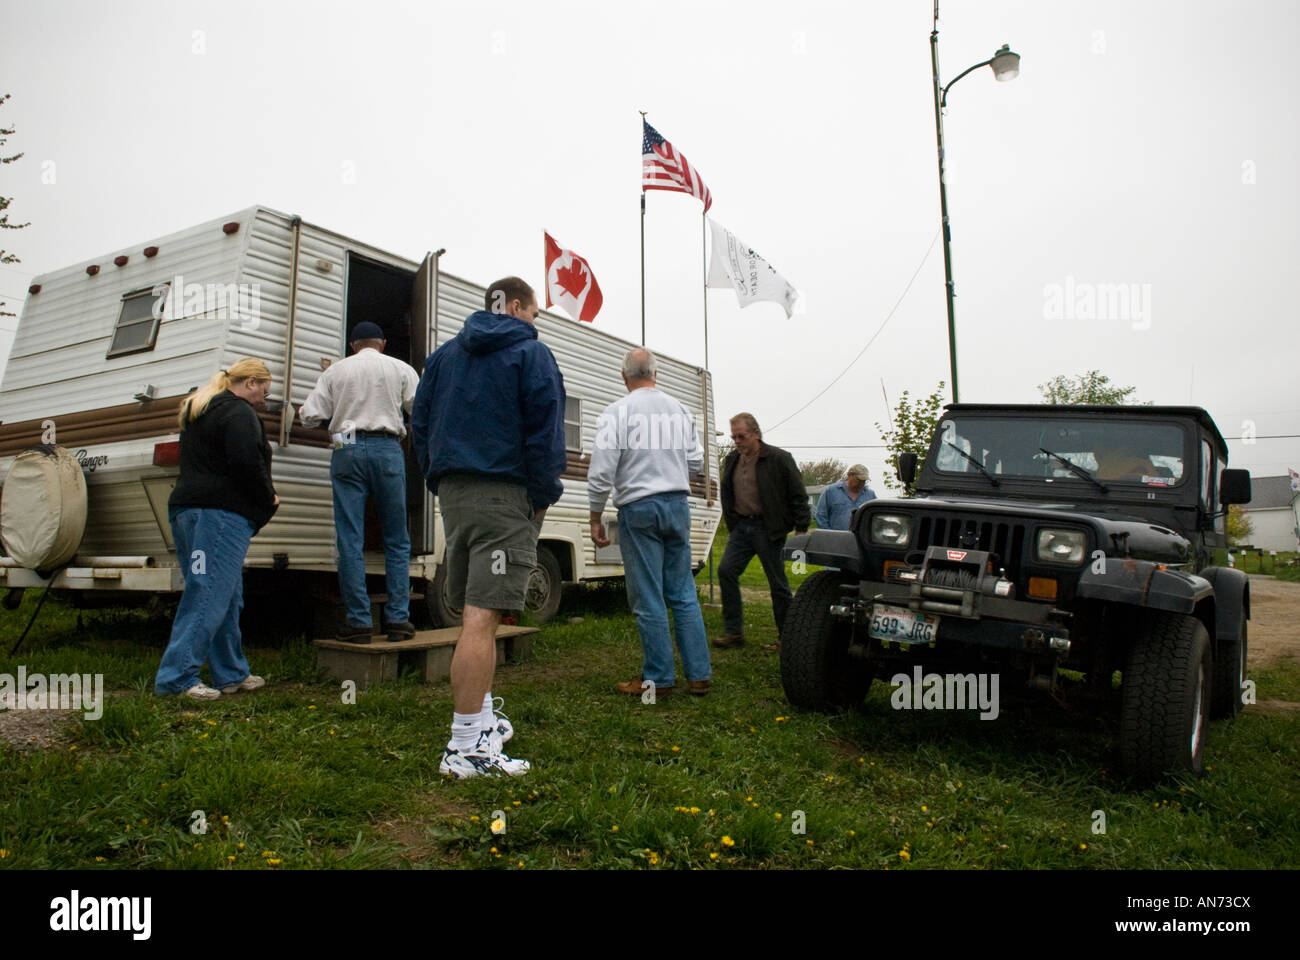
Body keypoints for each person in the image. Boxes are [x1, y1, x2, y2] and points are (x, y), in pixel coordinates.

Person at [411, 277, 566, 779]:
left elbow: (420, 422)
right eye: (536, 313)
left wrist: (438, 477)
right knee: (483, 618)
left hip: (455, 493)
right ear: (517, 306)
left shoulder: (443, 357)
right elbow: (545, 429)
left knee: (473, 613)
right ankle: (465, 748)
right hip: (505, 492)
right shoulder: (530, 353)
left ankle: (479, 721)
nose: (536, 323)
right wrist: (542, 495)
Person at [588, 349, 711, 698]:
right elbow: (696, 462)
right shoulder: (680, 410)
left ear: (623, 376)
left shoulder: (617, 412)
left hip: (639, 508)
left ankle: (659, 678)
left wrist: (595, 515)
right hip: (677, 504)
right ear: (656, 374)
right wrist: (670, 477)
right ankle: (699, 675)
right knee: (683, 591)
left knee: (648, 596)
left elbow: (601, 472)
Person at [155, 359, 279, 700]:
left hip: (187, 514)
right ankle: (176, 678)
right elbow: (245, 462)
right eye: (265, 392)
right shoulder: (239, 413)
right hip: (220, 516)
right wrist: (268, 497)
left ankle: (231, 673)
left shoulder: (202, 409)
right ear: (251, 382)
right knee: (209, 592)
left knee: (223, 592)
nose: (265, 400)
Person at [299, 321, 421, 643]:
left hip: (345, 443)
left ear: (352, 345)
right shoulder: (401, 368)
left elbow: (308, 416)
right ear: (382, 342)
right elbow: (418, 408)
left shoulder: (335, 372)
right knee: (396, 538)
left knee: (350, 537)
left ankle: (359, 624)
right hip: (387, 445)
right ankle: (397, 620)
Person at [715, 413, 809, 652]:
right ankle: (734, 632)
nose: (736, 440)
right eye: (734, 436)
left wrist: (801, 528)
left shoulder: (778, 458)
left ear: (756, 433)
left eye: (741, 436)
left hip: (768, 529)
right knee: (725, 571)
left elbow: (798, 494)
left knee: (777, 583)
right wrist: (733, 522)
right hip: (741, 527)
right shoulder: (732, 459)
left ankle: (786, 637)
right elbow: (727, 492)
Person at [814, 464, 876, 531]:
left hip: (861, 539)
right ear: (849, 475)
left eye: (864, 481)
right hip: (835, 538)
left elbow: (876, 518)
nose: (861, 483)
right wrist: (829, 535)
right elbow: (821, 516)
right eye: (858, 480)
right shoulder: (831, 491)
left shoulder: (870, 495)